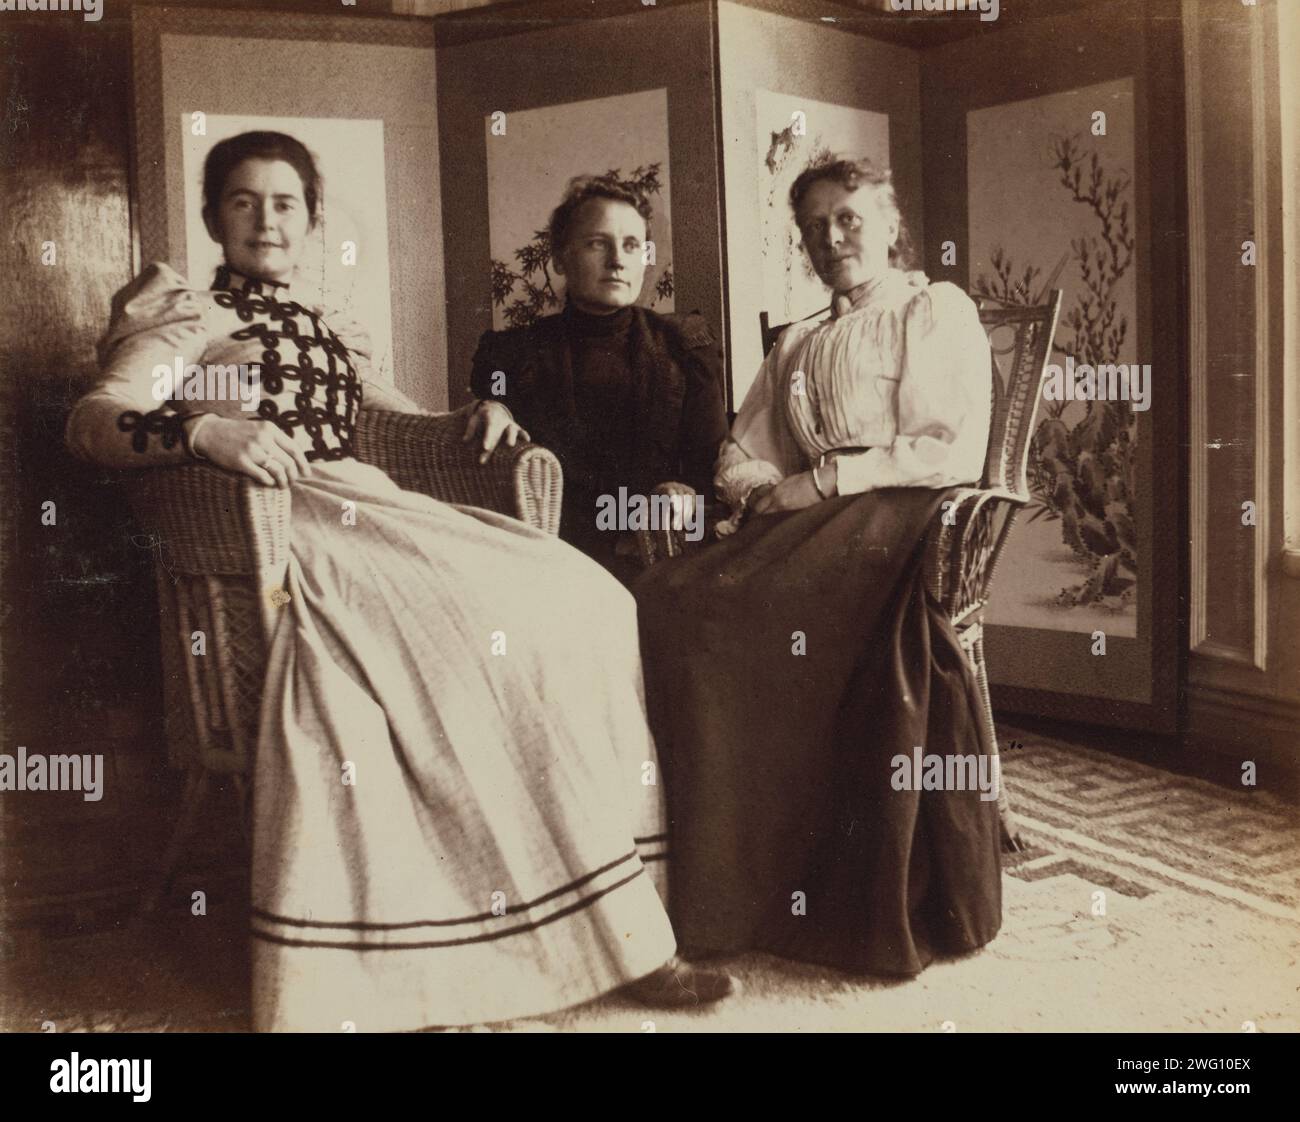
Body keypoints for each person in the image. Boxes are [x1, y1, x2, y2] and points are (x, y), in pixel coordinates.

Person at [65, 130, 732, 1031]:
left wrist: (481, 412)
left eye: (285, 203)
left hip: (368, 501)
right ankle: (459, 954)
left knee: (592, 601)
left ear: (311, 219)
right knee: (463, 637)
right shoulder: (186, 315)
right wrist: (203, 431)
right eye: (243, 201)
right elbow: (95, 420)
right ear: (214, 218)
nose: (266, 219)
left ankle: (618, 922)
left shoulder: (325, 324)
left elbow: (403, 420)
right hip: (282, 519)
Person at [633, 157, 1003, 976]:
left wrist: (824, 480)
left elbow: (946, 449)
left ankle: (760, 891)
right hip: (811, 520)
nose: (830, 238)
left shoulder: (932, 310)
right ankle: (697, 878)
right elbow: (741, 449)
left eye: (848, 219)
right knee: (664, 597)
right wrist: (766, 489)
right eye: (813, 227)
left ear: (890, 225)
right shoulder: (799, 341)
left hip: (899, 517)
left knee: (721, 618)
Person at [470, 175, 728, 582]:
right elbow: (494, 401)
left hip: (661, 559)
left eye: (631, 245)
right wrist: (493, 405)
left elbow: (709, 472)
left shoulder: (685, 347)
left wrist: (683, 492)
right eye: (597, 243)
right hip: (549, 561)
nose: (617, 261)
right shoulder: (512, 354)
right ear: (560, 258)